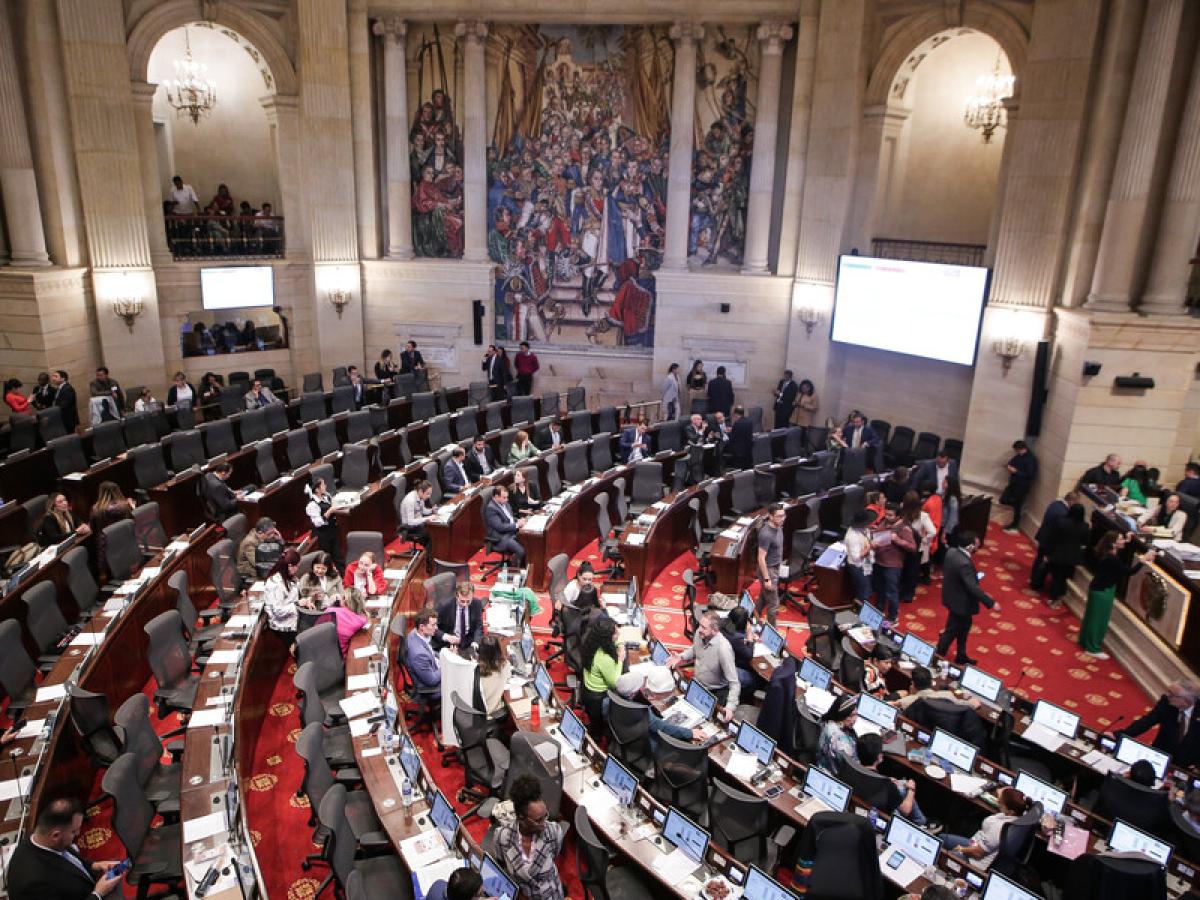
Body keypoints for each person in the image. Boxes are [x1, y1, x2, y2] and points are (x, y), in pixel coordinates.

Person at [4, 797, 125, 900]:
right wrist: (98, 894)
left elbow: (69, 859)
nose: (78, 833)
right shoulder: (34, 886)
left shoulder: (42, 837)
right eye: (73, 831)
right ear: (55, 835)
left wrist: (94, 865)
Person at [1080, 530, 1155, 658]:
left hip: (1098, 588)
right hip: (1103, 592)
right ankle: (1092, 648)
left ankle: (1085, 641)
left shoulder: (1107, 551)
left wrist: (1128, 540)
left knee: (1091, 618)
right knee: (1099, 621)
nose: (1123, 541)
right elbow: (1129, 571)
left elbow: (1121, 548)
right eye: (1120, 539)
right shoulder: (1112, 558)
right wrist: (1143, 560)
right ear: (1113, 544)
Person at [495, 775, 566, 900]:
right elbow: (502, 864)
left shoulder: (554, 831)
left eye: (545, 816)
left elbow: (555, 854)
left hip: (550, 895)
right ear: (521, 817)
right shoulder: (503, 837)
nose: (544, 824)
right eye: (538, 820)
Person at [934, 531, 998, 665]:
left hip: (952, 597)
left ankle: (961, 655)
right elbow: (972, 587)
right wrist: (991, 603)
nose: (977, 548)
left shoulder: (951, 552)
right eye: (976, 545)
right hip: (961, 603)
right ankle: (937, 656)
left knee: (964, 628)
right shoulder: (965, 563)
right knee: (951, 630)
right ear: (969, 546)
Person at [668, 610, 739, 716]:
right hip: (697, 684)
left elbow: (734, 682)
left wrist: (730, 707)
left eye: (704, 627)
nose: (699, 629)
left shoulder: (723, 649)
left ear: (715, 630)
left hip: (715, 692)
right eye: (700, 625)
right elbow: (694, 649)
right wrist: (680, 656)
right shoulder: (700, 634)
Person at [941, 788, 1033, 867]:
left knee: (941, 855)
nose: (997, 801)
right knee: (941, 838)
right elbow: (1002, 792)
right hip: (974, 843)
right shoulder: (1020, 813)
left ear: (1011, 811)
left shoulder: (999, 828)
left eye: (1001, 802)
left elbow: (978, 853)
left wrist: (961, 849)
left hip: (974, 861)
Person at [856, 732, 932, 826]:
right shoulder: (887, 786)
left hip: (864, 805)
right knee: (906, 788)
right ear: (879, 756)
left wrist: (887, 779)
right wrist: (912, 789)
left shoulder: (853, 769)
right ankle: (921, 824)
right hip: (885, 817)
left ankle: (922, 821)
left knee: (901, 786)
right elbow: (906, 810)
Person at [1118, 681, 1200, 767]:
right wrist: (1120, 735)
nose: (1166, 695)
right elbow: (1147, 721)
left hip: (1187, 764)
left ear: (1185, 701)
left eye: (1171, 694)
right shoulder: (1166, 702)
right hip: (1160, 757)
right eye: (1168, 691)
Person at [871, 506, 916, 625]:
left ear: (898, 517)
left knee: (891, 592)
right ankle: (878, 611)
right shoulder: (883, 523)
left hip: (893, 565)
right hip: (879, 561)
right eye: (886, 514)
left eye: (890, 515)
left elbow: (912, 547)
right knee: (879, 589)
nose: (887, 517)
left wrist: (898, 540)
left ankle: (893, 616)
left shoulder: (904, 529)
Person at [581, 615, 624, 735]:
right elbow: (614, 682)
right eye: (615, 633)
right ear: (607, 638)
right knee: (597, 729)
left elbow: (614, 641)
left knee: (594, 723)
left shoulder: (589, 642)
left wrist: (619, 643)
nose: (619, 633)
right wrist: (620, 659)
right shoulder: (604, 658)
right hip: (598, 698)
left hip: (587, 691)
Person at [1030, 489, 1079, 591]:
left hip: (1043, 536)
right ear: (1071, 501)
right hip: (1050, 541)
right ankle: (1036, 583)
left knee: (1039, 559)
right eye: (1076, 503)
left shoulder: (1055, 503)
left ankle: (1033, 579)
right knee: (1044, 563)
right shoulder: (1064, 513)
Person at [1044, 503, 1090, 609]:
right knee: (1064, 577)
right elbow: (1086, 541)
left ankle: (1053, 598)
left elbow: (1053, 538)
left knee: (1057, 577)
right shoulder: (1084, 527)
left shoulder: (1061, 522)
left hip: (1058, 554)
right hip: (1072, 557)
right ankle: (1059, 597)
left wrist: (1048, 553)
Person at [89, 481, 135, 576]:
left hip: (106, 549)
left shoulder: (96, 510)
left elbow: (93, 529)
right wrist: (133, 507)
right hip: (126, 545)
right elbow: (132, 523)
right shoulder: (125, 506)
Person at [895, 665, 981, 712]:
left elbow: (891, 705)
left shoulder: (906, 701)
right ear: (931, 682)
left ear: (913, 684)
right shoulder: (947, 695)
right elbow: (964, 704)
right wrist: (972, 703)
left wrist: (911, 693)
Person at [263, 549, 301, 646]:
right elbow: (278, 611)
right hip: (283, 625)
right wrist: (298, 604)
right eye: (297, 566)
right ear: (289, 566)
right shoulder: (275, 584)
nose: (298, 568)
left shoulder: (289, 576)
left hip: (293, 618)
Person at [756, 504, 785, 625]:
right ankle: (772, 633)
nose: (782, 518)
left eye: (783, 515)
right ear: (770, 516)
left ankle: (750, 619)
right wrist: (767, 579)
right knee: (773, 605)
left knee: (763, 597)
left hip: (775, 567)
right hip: (768, 570)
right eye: (779, 516)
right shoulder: (766, 534)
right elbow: (761, 558)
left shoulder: (779, 527)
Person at [297, 551, 344, 627]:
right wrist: (312, 597)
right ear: (313, 566)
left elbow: (342, 594)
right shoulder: (306, 578)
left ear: (328, 568)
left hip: (334, 611)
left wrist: (337, 596)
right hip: (316, 612)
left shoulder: (335, 577)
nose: (319, 571)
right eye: (317, 567)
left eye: (323, 568)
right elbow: (302, 595)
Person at [722, 605, 761, 694]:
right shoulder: (735, 638)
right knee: (754, 679)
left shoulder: (723, 623)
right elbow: (748, 656)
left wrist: (745, 635)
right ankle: (745, 699)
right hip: (724, 671)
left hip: (720, 662)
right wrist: (750, 636)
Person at [1001, 440, 1038, 532]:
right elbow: (1011, 462)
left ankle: (1014, 525)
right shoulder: (1018, 456)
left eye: (1017, 451)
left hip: (1022, 486)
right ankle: (1018, 506)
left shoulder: (1030, 459)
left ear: (1022, 449)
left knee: (1017, 507)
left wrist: (1016, 471)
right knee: (1003, 499)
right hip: (1013, 484)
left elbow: (1030, 474)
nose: (1016, 453)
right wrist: (1008, 466)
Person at [817, 693, 859, 773]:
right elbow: (854, 767)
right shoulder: (841, 741)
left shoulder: (826, 721)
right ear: (842, 715)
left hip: (823, 764)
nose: (855, 719)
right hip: (834, 775)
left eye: (856, 714)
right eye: (851, 716)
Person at [306, 476, 342, 565]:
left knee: (339, 558)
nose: (325, 486)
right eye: (323, 485)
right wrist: (329, 511)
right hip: (323, 537)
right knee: (326, 561)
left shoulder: (326, 497)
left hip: (332, 532)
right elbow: (318, 523)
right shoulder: (312, 505)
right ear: (317, 489)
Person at [485, 485, 525, 564]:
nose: (507, 500)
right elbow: (500, 527)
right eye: (504, 497)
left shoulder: (504, 503)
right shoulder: (491, 509)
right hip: (500, 538)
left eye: (507, 497)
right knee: (520, 551)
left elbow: (510, 518)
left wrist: (519, 521)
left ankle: (522, 566)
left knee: (528, 542)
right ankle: (512, 570)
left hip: (510, 532)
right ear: (496, 496)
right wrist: (517, 525)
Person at [437, 581, 483, 648]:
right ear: (456, 596)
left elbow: (479, 627)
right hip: (450, 641)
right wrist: (445, 636)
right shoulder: (445, 605)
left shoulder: (477, 603)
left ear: (472, 596)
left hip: (469, 641)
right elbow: (433, 627)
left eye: (468, 601)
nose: (465, 604)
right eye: (462, 601)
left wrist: (476, 643)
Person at [405, 606, 442, 691]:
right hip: (432, 689)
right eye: (433, 625)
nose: (436, 628)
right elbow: (432, 681)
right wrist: (446, 665)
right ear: (422, 626)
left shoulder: (415, 632)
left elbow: (431, 652)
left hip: (434, 668)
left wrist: (444, 655)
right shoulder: (419, 654)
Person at [399, 479, 435, 564]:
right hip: (408, 527)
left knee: (434, 530)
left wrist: (431, 510)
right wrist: (427, 518)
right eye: (428, 494)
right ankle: (429, 563)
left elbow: (422, 511)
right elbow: (410, 521)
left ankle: (430, 556)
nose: (429, 496)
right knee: (430, 535)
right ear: (420, 491)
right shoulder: (410, 500)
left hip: (418, 523)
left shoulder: (420, 497)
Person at [476, 634, 512, 718]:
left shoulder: (475, 671)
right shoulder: (505, 665)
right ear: (498, 650)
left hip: (478, 714)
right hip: (494, 713)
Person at [236, 516, 283, 581]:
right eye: (269, 534)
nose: (272, 536)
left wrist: (279, 540)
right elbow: (260, 563)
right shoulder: (249, 543)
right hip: (251, 575)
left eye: (273, 532)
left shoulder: (264, 536)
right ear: (260, 533)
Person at [844, 509, 876, 603]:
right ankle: (860, 613)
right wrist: (869, 547)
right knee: (863, 593)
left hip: (867, 563)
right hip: (858, 566)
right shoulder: (853, 536)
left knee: (868, 589)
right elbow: (856, 556)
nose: (871, 523)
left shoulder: (864, 529)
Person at [728, 405, 754, 470]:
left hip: (739, 451)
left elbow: (732, 438)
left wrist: (728, 433)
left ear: (736, 414)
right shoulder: (749, 422)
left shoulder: (737, 423)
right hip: (748, 450)